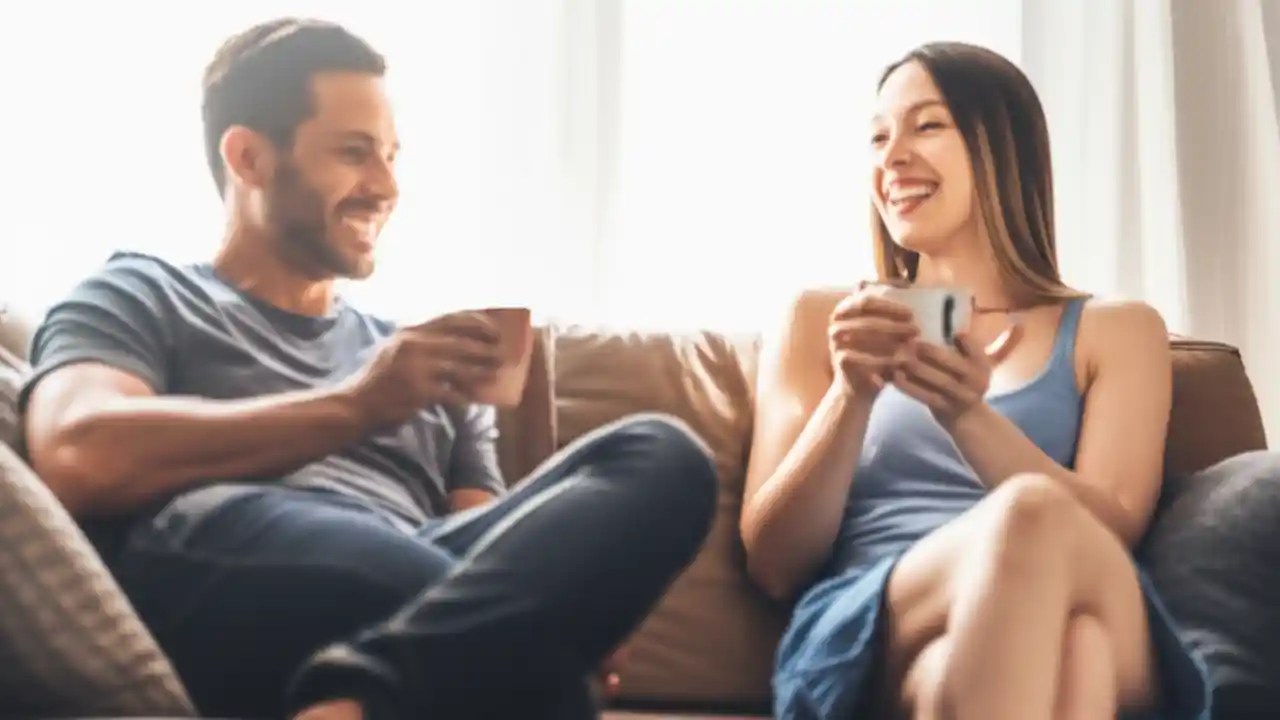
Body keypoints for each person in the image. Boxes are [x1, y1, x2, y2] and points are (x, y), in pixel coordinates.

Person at [19, 17, 717, 720]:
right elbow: (80, 452)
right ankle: (462, 666)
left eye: (390, 155)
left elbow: (496, 548)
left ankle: (363, 694)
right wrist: (356, 406)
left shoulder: (422, 360)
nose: (386, 186)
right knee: (509, 644)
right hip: (228, 552)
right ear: (249, 158)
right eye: (355, 153)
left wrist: (557, 586)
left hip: (403, 578)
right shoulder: (144, 291)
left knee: (665, 453)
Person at [740, 42, 1210, 720]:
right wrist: (851, 394)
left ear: (1003, 148)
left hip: (1081, 586)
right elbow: (776, 563)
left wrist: (967, 414)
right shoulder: (826, 319)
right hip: (884, 615)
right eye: (878, 137)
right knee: (1080, 656)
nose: (891, 156)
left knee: (1036, 530)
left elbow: (1111, 531)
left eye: (926, 125)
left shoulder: (1118, 329)